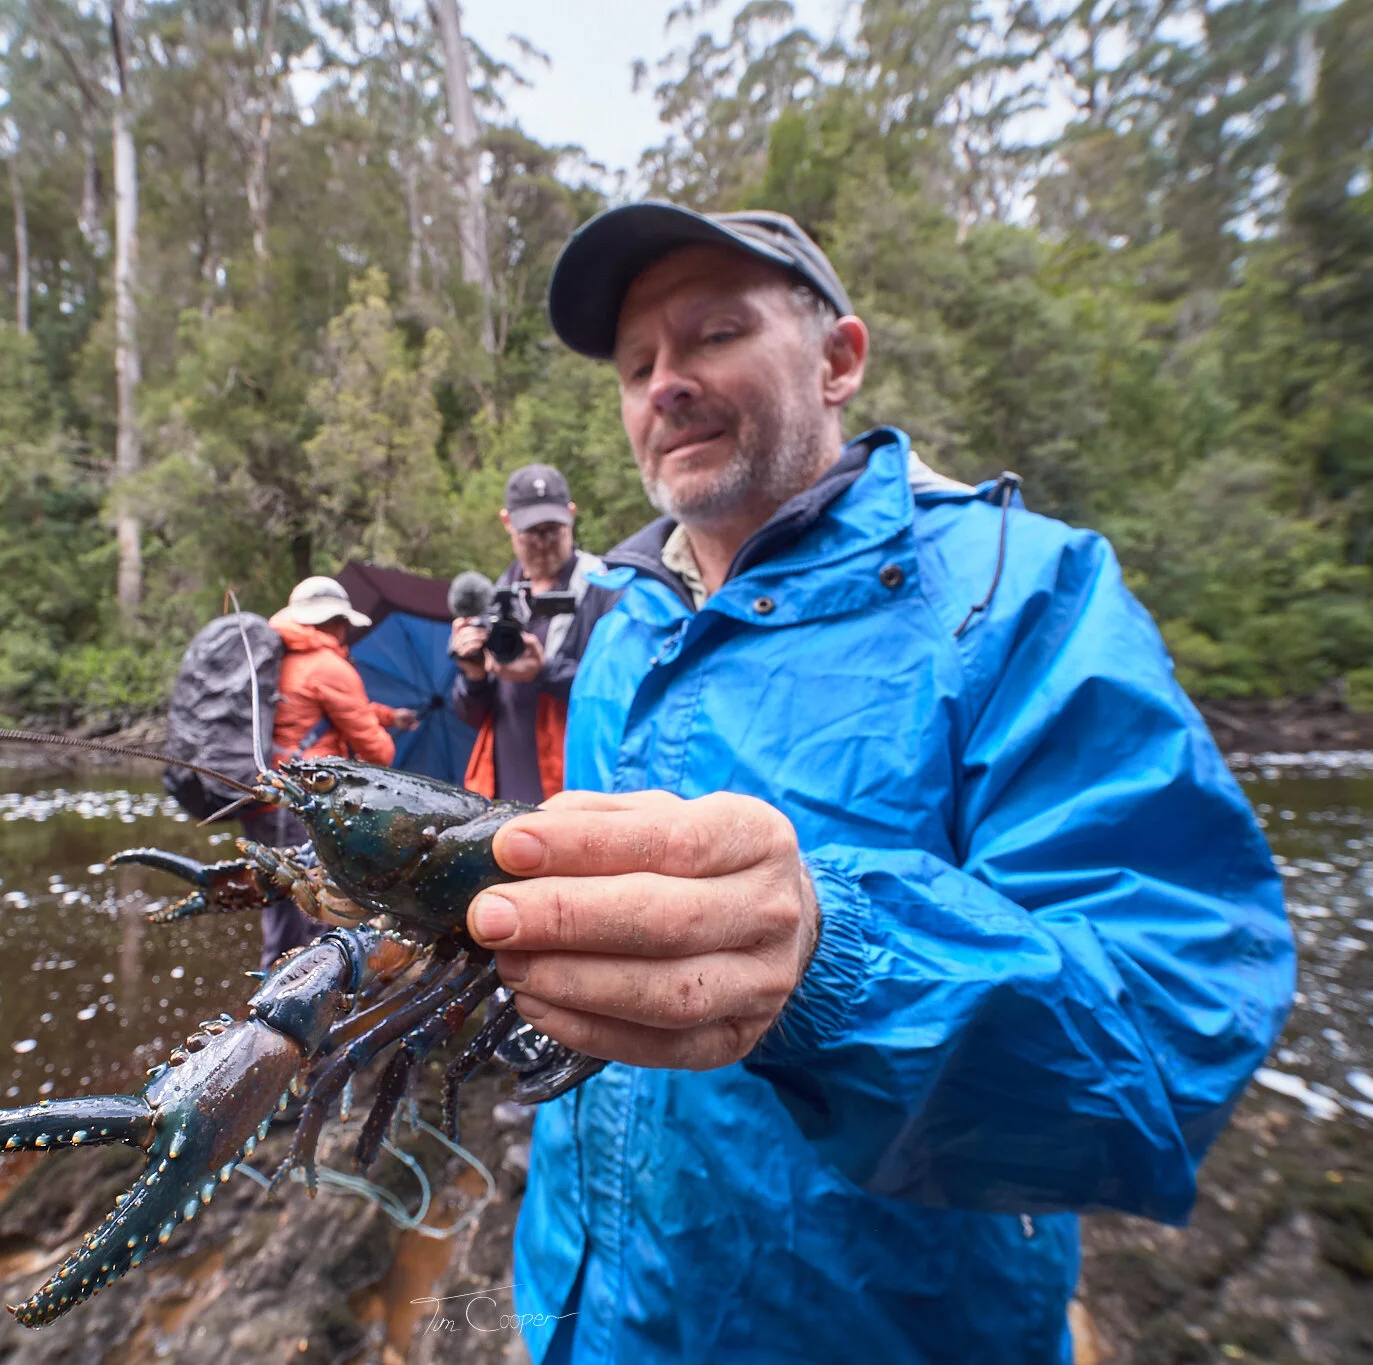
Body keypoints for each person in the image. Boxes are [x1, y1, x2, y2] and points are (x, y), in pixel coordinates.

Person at [465, 203, 1295, 1362]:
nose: (665, 385)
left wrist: (830, 960)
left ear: (838, 359)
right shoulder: (624, 627)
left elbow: (1174, 1029)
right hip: (585, 1309)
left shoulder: (1023, 590)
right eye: (637, 364)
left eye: (712, 334)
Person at [249, 576, 416, 967]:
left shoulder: (279, 658)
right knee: (318, 910)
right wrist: (385, 735)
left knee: (279, 906)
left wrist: (390, 716)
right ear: (336, 622)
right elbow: (378, 751)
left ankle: (268, 989)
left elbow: (323, 711)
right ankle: (311, 1001)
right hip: (306, 804)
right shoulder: (329, 666)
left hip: (265, 797)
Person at [449, 465, 608, 803]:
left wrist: (545, 671)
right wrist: (474, 675)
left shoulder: (602, 588)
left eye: (552, 531)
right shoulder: (499, 596)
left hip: (575, 784)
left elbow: (618, 693)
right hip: (502, 784)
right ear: (507, 522)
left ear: (571, 515)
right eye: (530, 533)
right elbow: (473, 716)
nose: (542, 544)